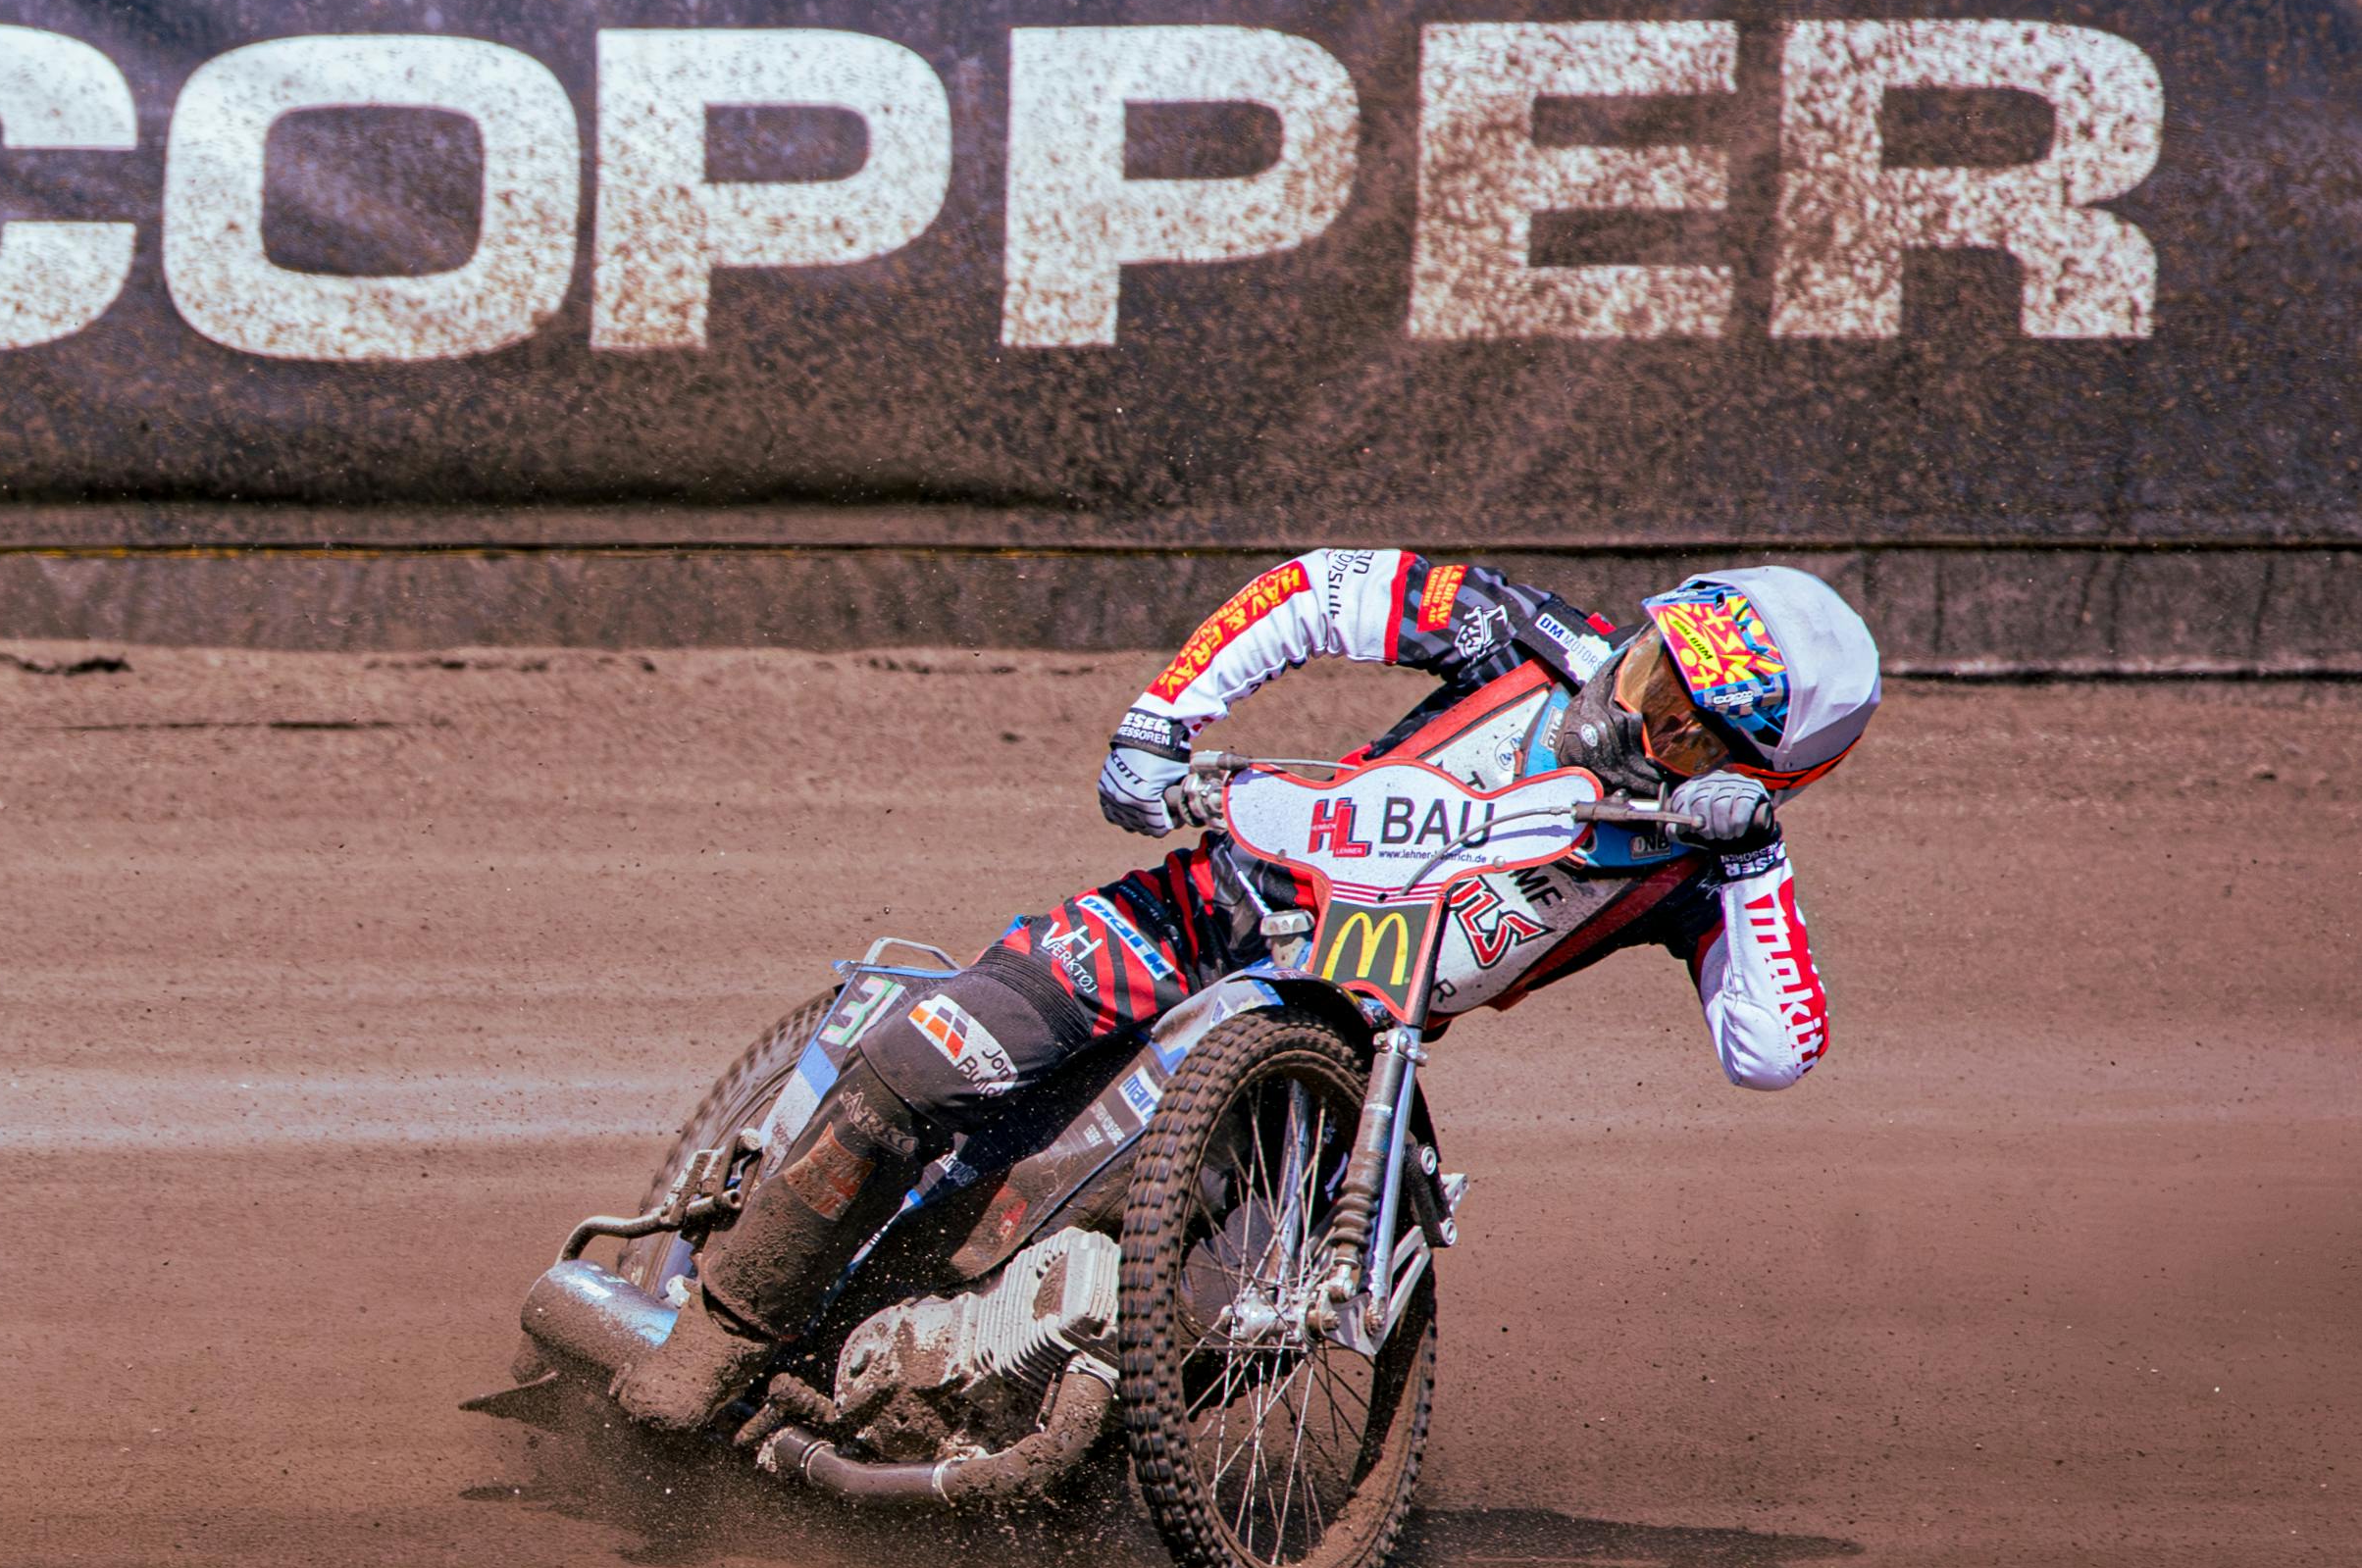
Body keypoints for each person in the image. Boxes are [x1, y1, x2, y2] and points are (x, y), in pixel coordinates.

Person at [608, 551, 1877, 1435]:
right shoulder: (1523, 636)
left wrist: (1752, 858)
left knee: (1193, 1298)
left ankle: (1046, 1420)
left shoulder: (1702, 872)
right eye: (1658, 668)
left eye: (1691, 729)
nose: (1639, 710)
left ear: (1768, 774)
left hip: (1331, 1050)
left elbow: (1774, 1049)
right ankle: (722, 1325)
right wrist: (1166, 717)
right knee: (930, 1061)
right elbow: (1327, 591)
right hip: (1198, 910)